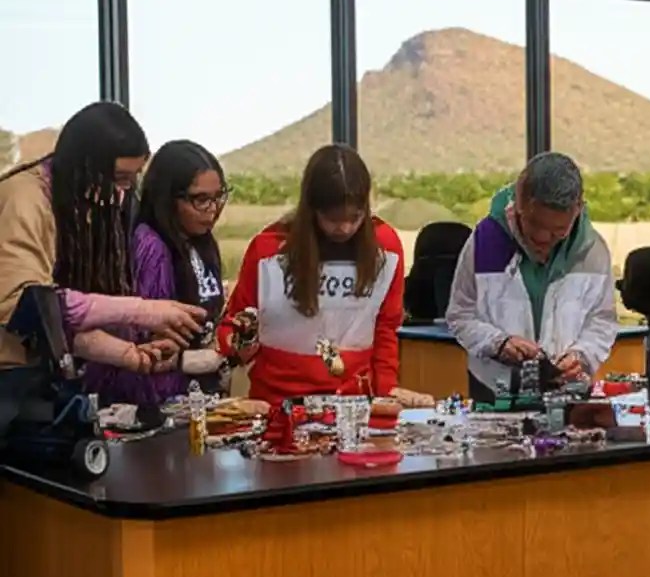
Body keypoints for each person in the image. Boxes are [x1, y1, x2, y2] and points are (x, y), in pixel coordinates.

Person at [0, 102, 205, 376]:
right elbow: (27, 308)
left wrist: (126, 354)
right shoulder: (24, 200)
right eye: (119, 178)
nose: (123, 193)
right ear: (85, 165)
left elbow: (58, 323)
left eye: (131, 181)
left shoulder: (75, 201)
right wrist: (141, 311)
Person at [216, 144, 429, 406]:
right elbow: (237, 322)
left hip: (353, 406)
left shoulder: (386, 248)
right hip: (279, 408)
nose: (345, 228)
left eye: (355, 217)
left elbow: (386, 326)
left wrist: (386, 389)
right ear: (311, 209)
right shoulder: (268, 250)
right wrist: (234, 345)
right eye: (333, 218)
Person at [446, 152, 618, 403]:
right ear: (518, 203)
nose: (543, 238)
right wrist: (498, 343)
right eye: (534, 224)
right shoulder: (484, 242)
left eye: (558, 230)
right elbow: (460, 314)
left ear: (578, 209)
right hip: (495, 397)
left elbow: (602, 321)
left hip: (568, 397)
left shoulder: (594, 251)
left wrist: (581, 356)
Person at [81, 140, 231, 406]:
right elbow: (149, 346)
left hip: (194, 397)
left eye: (218, 197)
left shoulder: (202, 243)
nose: (212, 210)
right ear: (168, 197)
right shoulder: (150, 247)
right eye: (200, 199)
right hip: (154, 403)